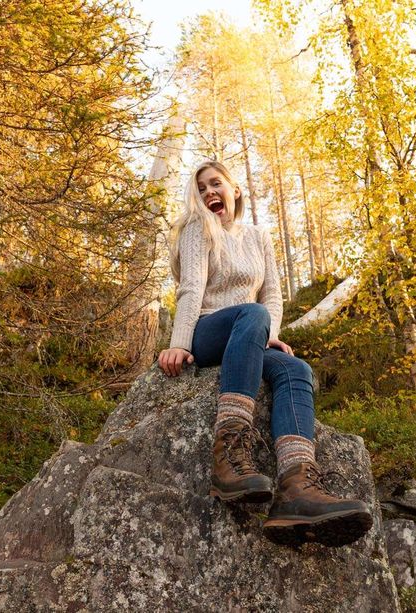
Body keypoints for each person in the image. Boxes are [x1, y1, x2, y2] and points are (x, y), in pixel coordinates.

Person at [157, 160, 371, 547]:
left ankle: (296, 488)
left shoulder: (258, 237)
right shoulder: (198, 228)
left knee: (295, 369)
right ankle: (228, 453)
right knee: (251, 313)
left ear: (235, 190)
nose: (209, 193)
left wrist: (267, 335)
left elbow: (272, 295)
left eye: (216, 184)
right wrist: (179, 343)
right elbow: (190, 287)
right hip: (208, 331)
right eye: (201, 188)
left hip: (248, 334)